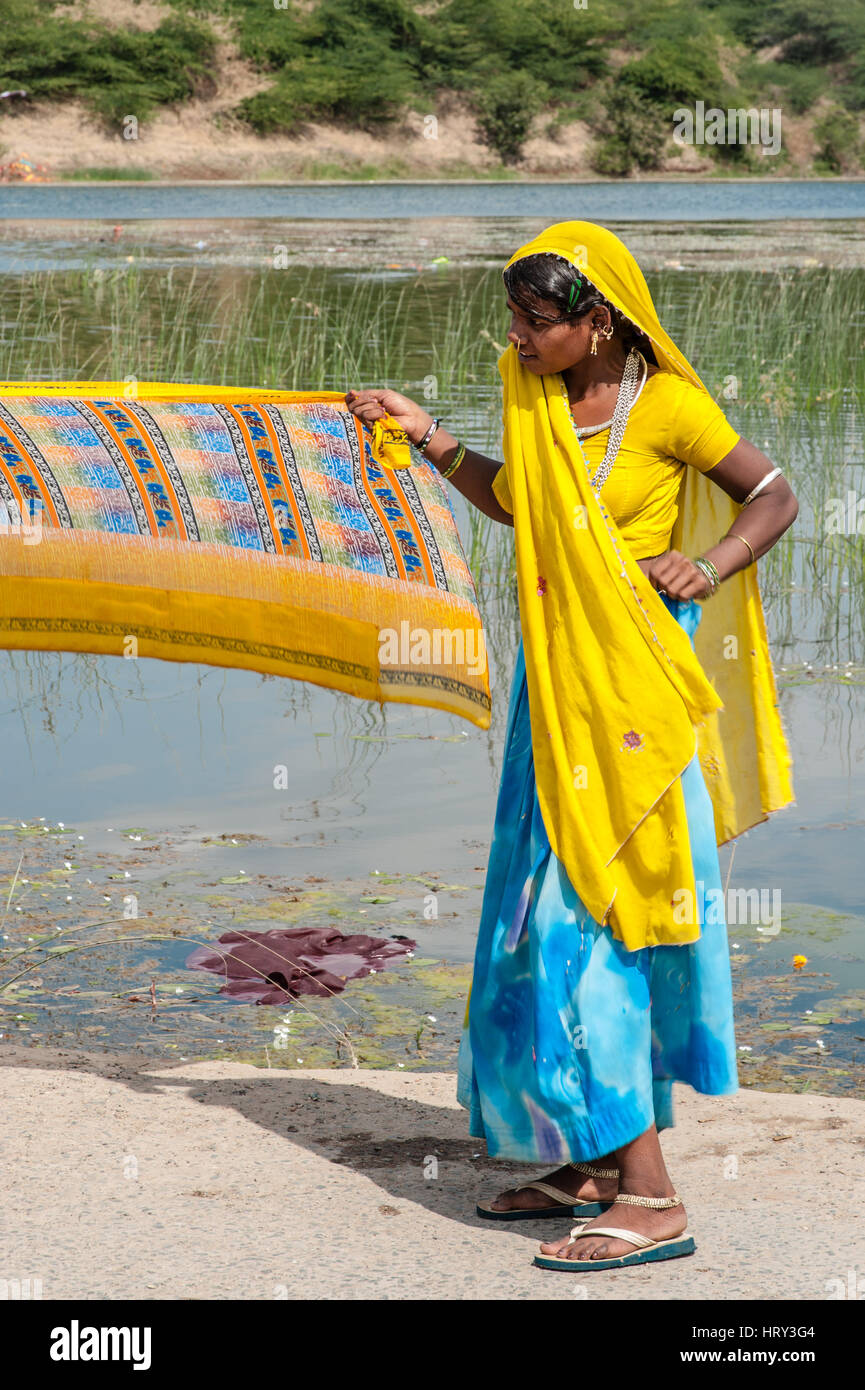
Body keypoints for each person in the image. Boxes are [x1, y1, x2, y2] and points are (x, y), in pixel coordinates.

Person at [345, 220, 796, 1272]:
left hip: (634, 701)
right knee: (525, 925)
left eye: (536, 322)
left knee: (586, 931)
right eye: (512, 319)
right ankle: (587, 1164)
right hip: (556, 702)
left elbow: (773, 494)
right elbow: (520, 504)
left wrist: (713, 560)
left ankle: (653, 1201)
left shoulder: (669, 406)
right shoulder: (535, 395)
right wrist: (430, 438)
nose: (517, 337)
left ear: (598, 322)